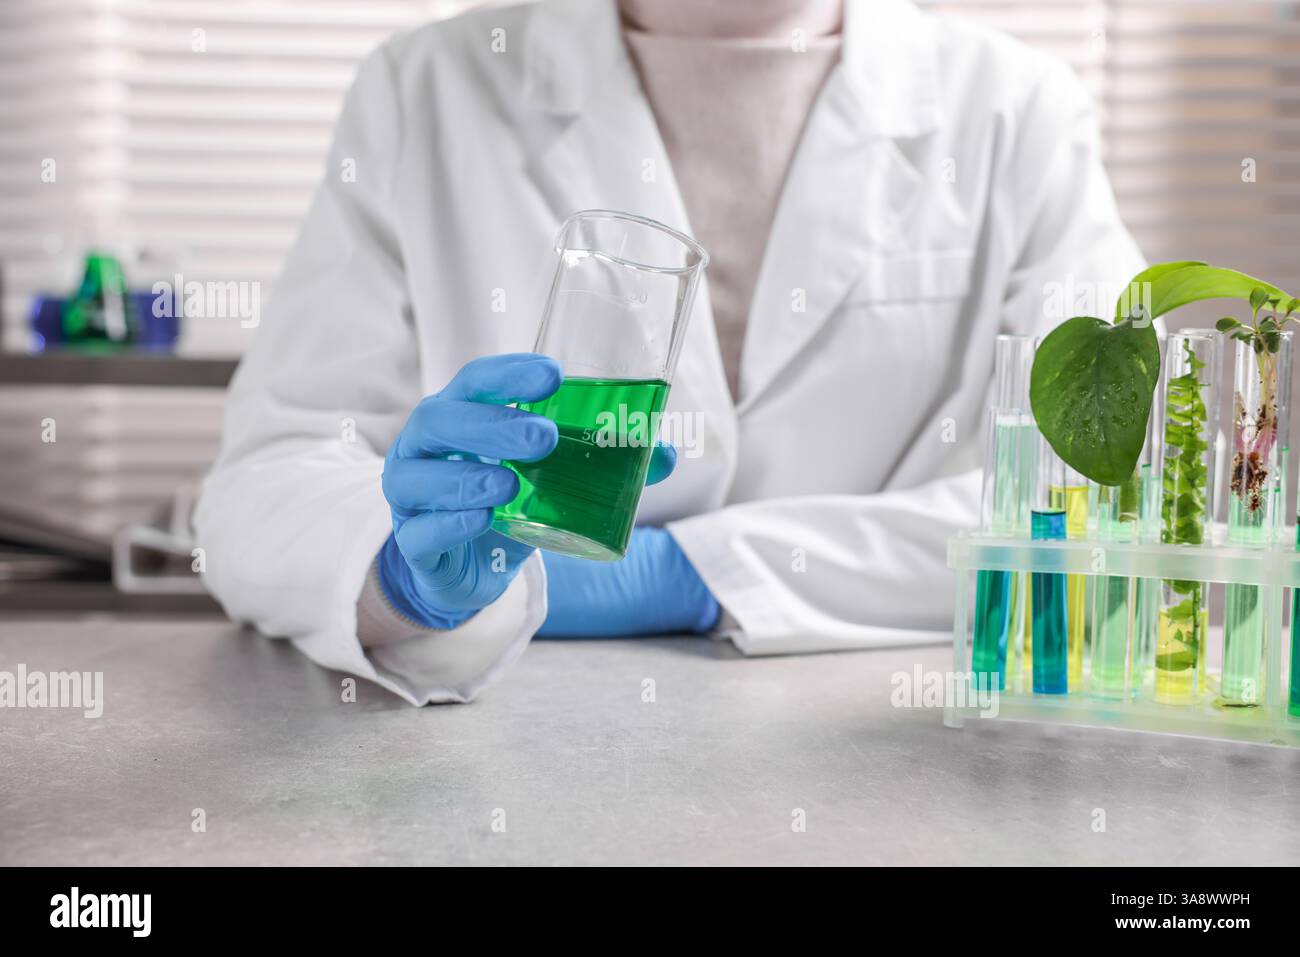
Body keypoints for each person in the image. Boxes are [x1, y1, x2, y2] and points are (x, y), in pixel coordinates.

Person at [194, 0, 1143, 704]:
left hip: (890, 747)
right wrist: (397, 577)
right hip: (500, 746)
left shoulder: (1018, 113)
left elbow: (1104, 501)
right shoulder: (426, 89)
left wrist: (691, 570)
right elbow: (264, 481)